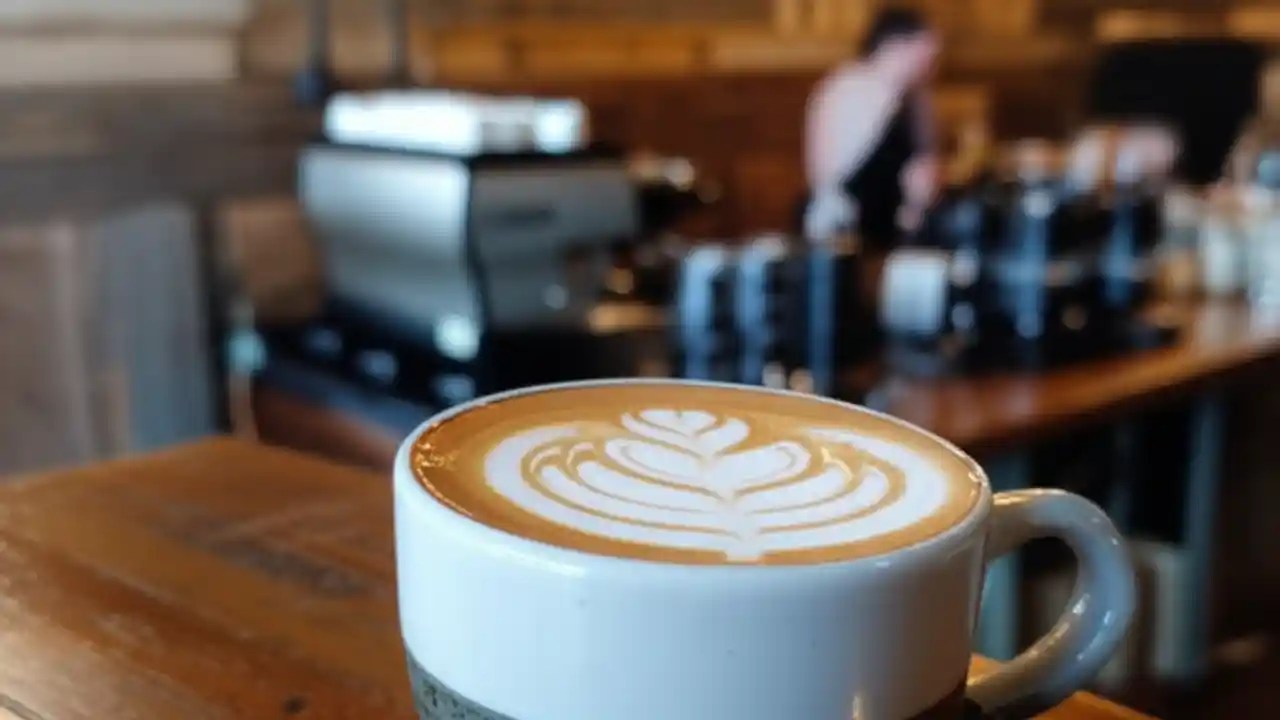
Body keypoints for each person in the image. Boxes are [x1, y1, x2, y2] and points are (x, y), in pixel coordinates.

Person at [804, 9, 941, 246]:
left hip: (889, 225)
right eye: (926, 54)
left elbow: (925, 163)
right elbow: (834, 181)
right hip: (847, 229)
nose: (931, 66)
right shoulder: (850, 89)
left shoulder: (909, 95)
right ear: (896, 45)